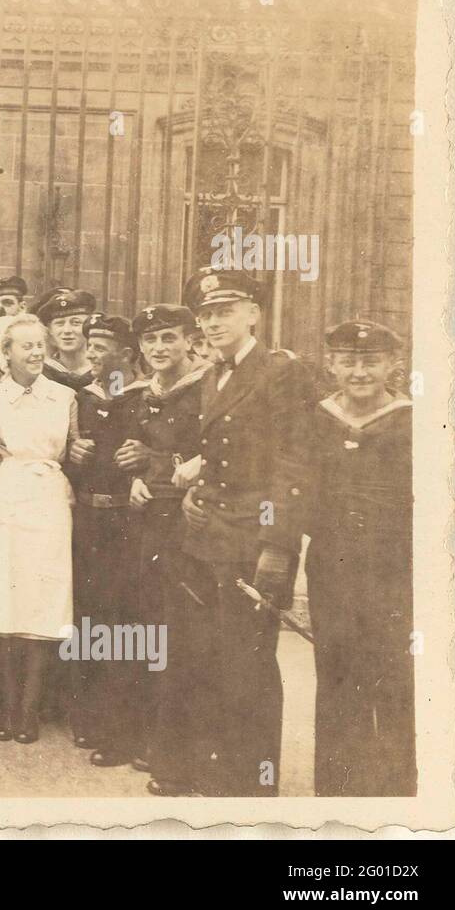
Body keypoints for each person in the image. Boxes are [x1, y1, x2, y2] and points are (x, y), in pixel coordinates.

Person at [177, 266, 314, 796]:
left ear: (254, 314)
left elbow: (292, 464)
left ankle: (253, 784)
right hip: (211, 528)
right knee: (214, 652)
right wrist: (195, 486)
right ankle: (219, 770)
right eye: (205, 314)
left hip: (254, 535)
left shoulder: (278, 371)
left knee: (250, 658)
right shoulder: (216, 373)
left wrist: (278, 547)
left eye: (224, 311)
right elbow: (223, 454)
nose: (212, 322)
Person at [306, 320, 415, 796]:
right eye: (347, 361)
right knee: (336, 669)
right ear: (331, 365)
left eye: (370, 362)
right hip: (332, 565)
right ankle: (336, 786)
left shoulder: (414, 421)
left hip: (393, 567)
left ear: (394, 364)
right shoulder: (317, 418)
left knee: (392, 671)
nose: (359, 371)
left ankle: (394, 788)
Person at [0, 314, 77, 743]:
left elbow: (73, 449)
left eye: (39, 346)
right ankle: (6, 706)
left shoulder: (65, 396)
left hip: (49, 499)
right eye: (25, 346)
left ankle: (29, 711)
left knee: (43, 603)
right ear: (5, 352)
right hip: (6, 499)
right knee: (4, 603)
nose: (34, 353)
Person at [121, 304, 210, 794]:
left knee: (182, 628)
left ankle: (178, 742)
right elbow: (134, 446)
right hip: (149, 517)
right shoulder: (139, 393)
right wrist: (134, 474)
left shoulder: (204, 389)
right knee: (148, 619)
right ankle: (149, 733)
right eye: (151, 340)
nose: (160, 348)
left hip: (188, 519)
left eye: (169, 339)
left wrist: (155, 464)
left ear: (187, 341)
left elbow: (206, 451)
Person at [66, 313, 146, 762]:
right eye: (89, 345)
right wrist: (72, 454)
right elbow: (67, 459)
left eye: (101, 348)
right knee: (88, 619)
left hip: (127, 525)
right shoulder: (83, 396)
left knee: (126, 623)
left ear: (128, 356)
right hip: (88, 522)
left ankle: (124, 727)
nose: (91, 354)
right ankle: (89, 718)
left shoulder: (145, 398)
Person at [36, 287, 97, 390]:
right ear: (50, 330)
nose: (67, 330)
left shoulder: (102, 370)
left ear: (88, 327)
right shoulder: (41, 373)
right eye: (59, 323)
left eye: (76, 323)